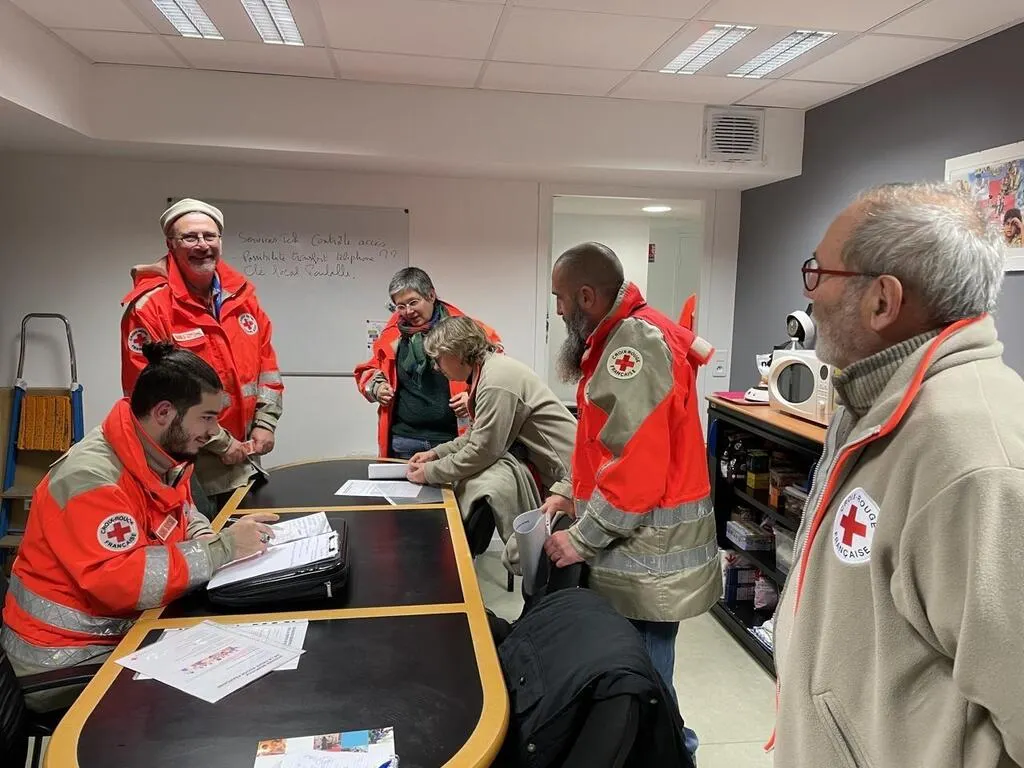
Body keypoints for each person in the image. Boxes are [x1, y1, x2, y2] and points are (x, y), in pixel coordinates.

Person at [771, 182, 1024, 767]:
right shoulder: (875, 407)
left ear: (882, 300)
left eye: (818, 272)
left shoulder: (975, 461)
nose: (808, 296)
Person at [1, 342, 277, 711]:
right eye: (206, 418)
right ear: (164, 412)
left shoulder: (156, 452)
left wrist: (207, 537)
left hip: (118, 632)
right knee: (211, 698)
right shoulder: (91, 477)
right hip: (61, 657)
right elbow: (120, 581)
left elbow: (180, 511)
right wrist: (222, 549)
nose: (213, 431)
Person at [541, 242, 718, 758]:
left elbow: (635, 468)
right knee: (635, 676)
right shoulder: (618, 334)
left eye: (559, 298)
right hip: (637, 551)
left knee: (646, 684)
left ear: (587, 297)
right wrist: (565, 495)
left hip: (650, 556)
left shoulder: (633, 347)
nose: (556, 310)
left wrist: (581, 538)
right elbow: (600, 441)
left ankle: (669, 756)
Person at [120, 198, 284, 513]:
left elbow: (268, 371)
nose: (202, 245)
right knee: (204, 548)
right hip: (188, 469)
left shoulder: (244, 298)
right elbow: (151, 399)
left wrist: (266, 423)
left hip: (244, 462)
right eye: (190, 237)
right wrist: (221, 443)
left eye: (210, 236)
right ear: (171, 244)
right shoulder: (149, 308)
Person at [404, 315, 576, 543]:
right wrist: (436, 454)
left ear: (455, 352)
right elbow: (477, 435)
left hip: (570, 474)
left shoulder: (496, 380)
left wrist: (430, 472)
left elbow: (483, 450)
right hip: (558, 470)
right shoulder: (487, 372)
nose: (436, 367)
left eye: (438, 358)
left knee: (561, 558)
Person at [354, 267, 501, 459]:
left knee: (452, 491)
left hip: (452, 440)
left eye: (413, 302)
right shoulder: (392, 335)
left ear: (431, 295)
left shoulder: (467, 329)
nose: (408, 311)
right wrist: (377, 387)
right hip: (404, 441)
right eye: (400, 306)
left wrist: (472, 398)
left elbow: (496, 371)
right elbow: (369, 370)